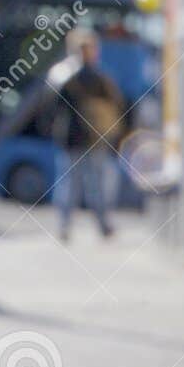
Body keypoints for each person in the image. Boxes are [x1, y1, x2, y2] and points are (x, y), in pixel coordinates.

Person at [48, 30, 126, 241]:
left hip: (73, 139)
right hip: (93, 138)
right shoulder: (100, 78)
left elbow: (52, 109)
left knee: (70, 185)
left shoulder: (63, 76)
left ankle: (66, 227)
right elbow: (116, 106)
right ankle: (101, 225)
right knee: (94, 184)